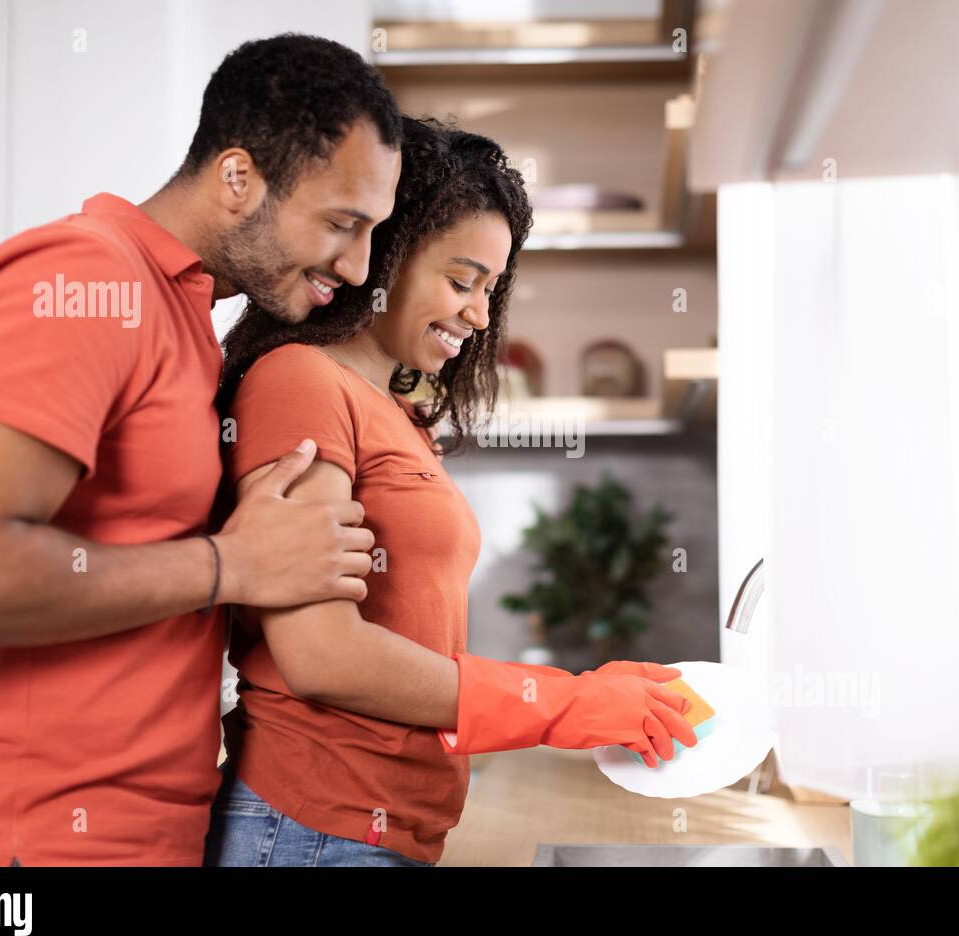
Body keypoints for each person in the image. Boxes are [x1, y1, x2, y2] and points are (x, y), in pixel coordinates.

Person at [0, 34, 401, 866]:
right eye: (342, 223)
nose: (358, 262)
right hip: (18, 852)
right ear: (239, 178)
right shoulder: (86, 280)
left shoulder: (180, 318)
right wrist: (230, 567)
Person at [205, 117, 697, 867]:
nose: (477, 315)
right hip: (311, 827)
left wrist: (591, 693)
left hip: (371, 831)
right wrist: (563, 703)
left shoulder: (397, 414)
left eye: (490, 291)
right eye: (462, 280)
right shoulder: (300, 381)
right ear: (385, 253)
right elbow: (319, 653)